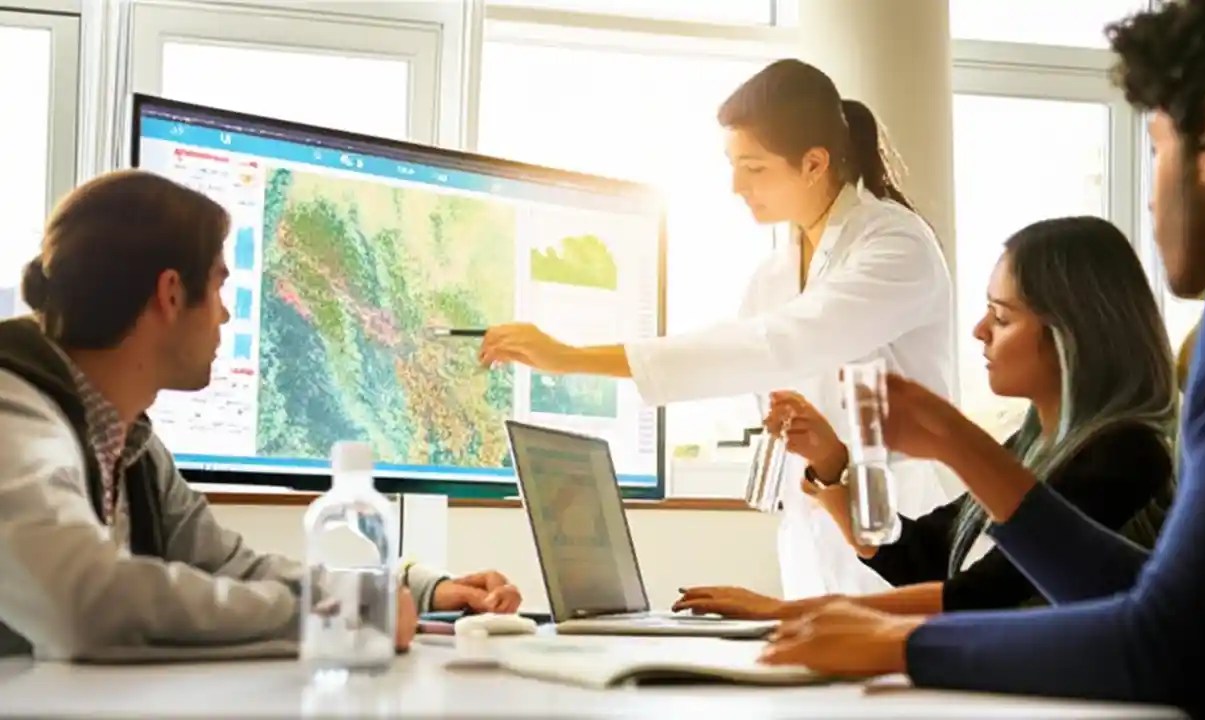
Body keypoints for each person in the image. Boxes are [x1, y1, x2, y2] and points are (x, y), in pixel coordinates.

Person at [757, 2, 1205, 717]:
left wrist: (902, 645)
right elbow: (1150, 595)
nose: (1151, 202)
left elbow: (1172, 644)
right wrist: (951, 440)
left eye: (1157, 149)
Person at [480, 58, 956, 599]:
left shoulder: (895, 245)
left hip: (902, 526)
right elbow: (738, 363)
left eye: (754, 168)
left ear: (813, 163)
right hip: (815, 535)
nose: (736, 186)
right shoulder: (774, 275)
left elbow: (776, 346)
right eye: (732, 165)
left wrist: (572, 358)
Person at [0, 169, 522, 660]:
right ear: (171, 293)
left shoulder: (135, 448)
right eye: (219, 286)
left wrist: (401, 591)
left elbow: (231, 568)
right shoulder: (13, 411)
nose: (226, 313)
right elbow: (83, 604)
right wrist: (337, 614)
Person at [674, 216, 1177, 620]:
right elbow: (922, 555)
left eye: (1001, 317)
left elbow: (982, 596)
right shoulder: (1031, 448)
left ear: (1072, 335)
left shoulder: (1125, 455)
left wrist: (788, 612)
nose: (979, 330)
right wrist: (832, 464)